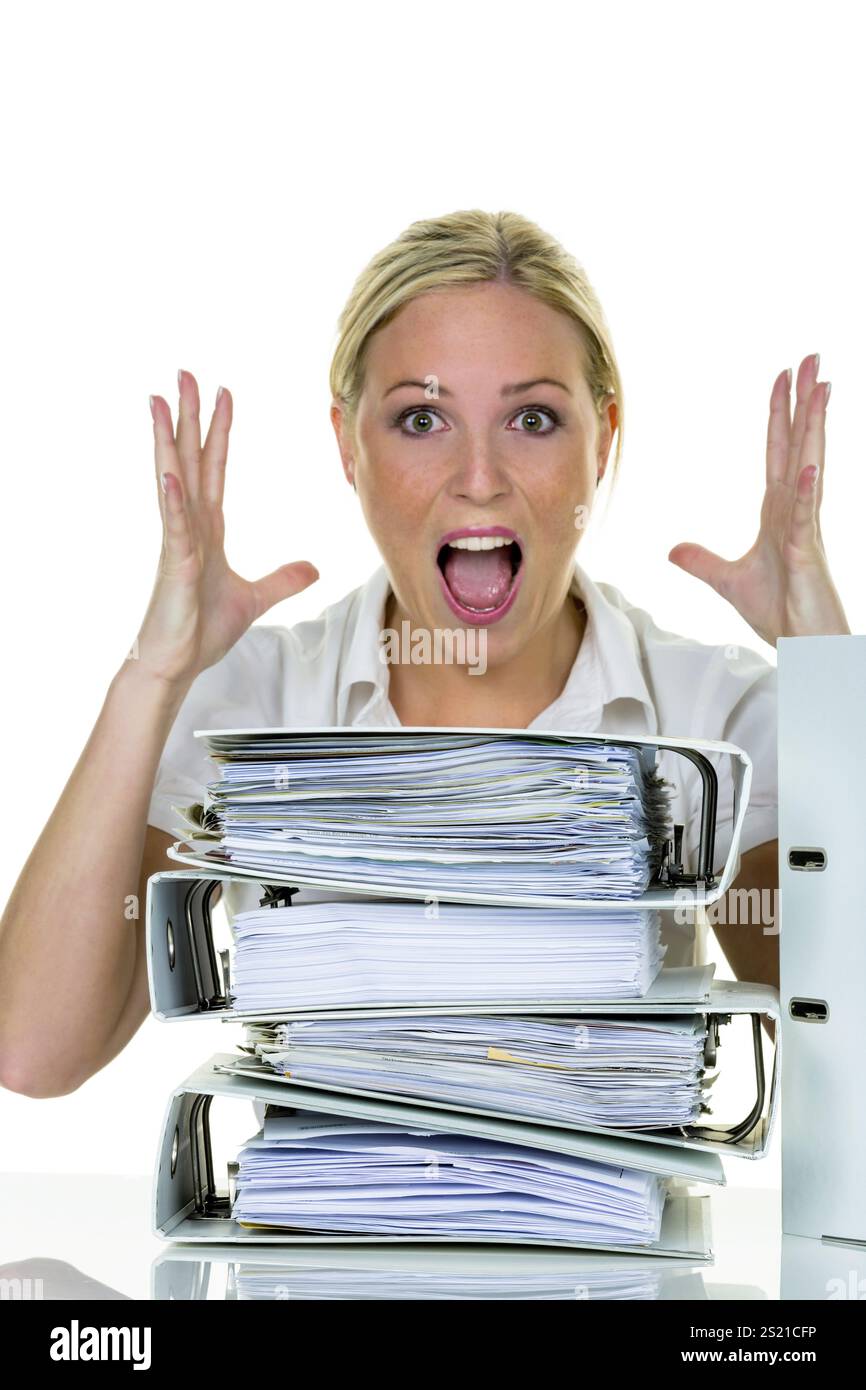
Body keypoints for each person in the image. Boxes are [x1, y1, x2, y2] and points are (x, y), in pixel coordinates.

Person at [0, 209, 850, 1098]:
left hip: (604, 1237)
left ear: (605, 438)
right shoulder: (254, 706)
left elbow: (850, 1043)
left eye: (532, 417)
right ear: (346, 444)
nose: (478, 476)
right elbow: (36, 1050)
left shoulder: (716, 717)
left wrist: (829, 668)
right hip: (319, 1227)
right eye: (420, 420)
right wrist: (154, 676)